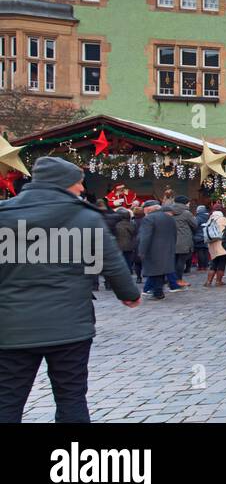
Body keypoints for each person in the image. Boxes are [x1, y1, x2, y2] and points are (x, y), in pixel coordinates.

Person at [0, 157, 140, 422]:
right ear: (63, 184)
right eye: (78, 183)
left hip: (11, 327)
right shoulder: (84, 217)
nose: (80, 189)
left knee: (7, 399)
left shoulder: (4, 215)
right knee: (71, 397)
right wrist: (129, 294)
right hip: (70, 327)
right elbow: (109, 262)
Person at [136, 199, 178, 300]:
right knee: (161, 271)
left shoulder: (149, 219)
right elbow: (175, 234)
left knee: (154, 272)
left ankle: (158, 292)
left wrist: (141, 251)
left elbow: (145, 236)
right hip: (168, 248)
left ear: (148, 209)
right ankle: (158, 292)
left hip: (153, 250)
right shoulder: (169, 218)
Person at [165, 193, 199, 284]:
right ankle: (178, 280)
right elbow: (195, 225)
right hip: (183, 240)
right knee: (181, 261)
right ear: (184, 203)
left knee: (173, 261)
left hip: (171, 239)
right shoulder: (186, 213)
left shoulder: (168, 212)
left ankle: (171, 280)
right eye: (188, 203)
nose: (188, 205)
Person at [204, 209, 226, 286]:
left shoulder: (210, 220)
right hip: (221, 244)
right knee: (222, 263)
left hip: (212, 245)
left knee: (213, 263)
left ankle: (208, 281)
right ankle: (218, 281)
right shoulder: (222, 219)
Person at [193, 203, 211, 271]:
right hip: (207, 236)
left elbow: (195, 226)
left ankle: (201, 266)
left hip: (199, 236)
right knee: (206, 251)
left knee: (200, 251)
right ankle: (205, 266)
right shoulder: (209, 216)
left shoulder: (198, 217)